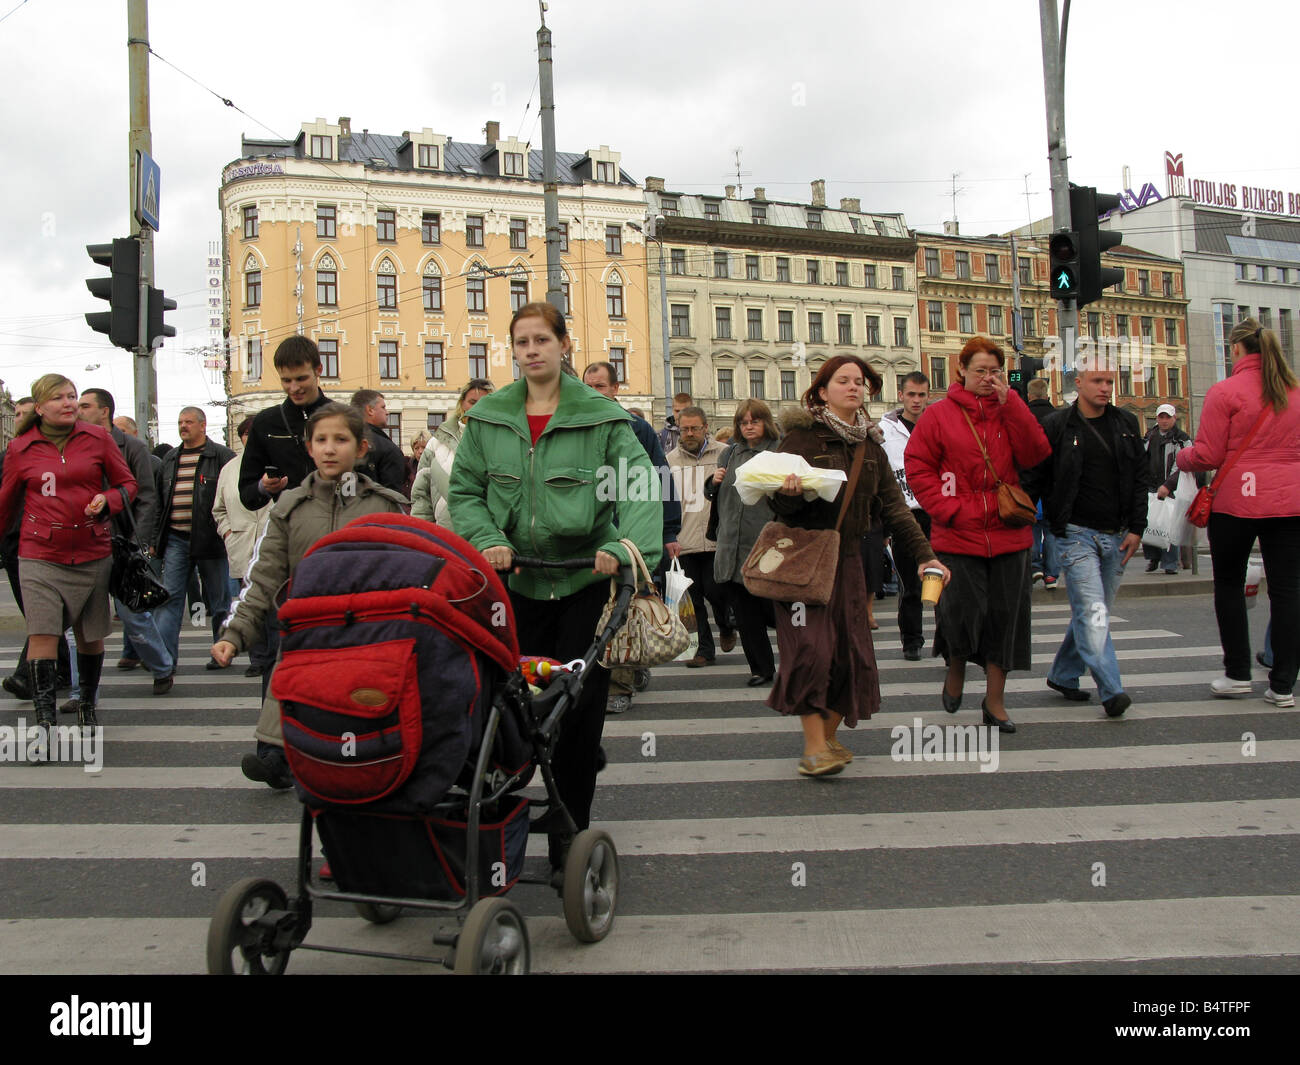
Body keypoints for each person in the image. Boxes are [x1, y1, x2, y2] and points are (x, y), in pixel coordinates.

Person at [449, 302, 662, 885]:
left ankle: (570, 824)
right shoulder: (488, 418)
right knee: (504, 702)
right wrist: (488, 538)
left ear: (563, 345)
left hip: (580, 582)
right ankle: (500, 813)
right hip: (512, 581)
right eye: (522, 342)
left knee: (577, 706)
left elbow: (640, 486)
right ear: (513, 351)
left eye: (543, 339)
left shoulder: (600, 416)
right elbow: (464, 492)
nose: (532, 350)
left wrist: (625, 549)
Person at [767, 356, 947, 776]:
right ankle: (813, 748)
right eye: (843, 381)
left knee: (852, 657)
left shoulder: (871, 445)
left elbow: (897, 510)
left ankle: (827, 736)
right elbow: (773, 501)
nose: (853, 387)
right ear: (822, 390)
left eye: (860, 382)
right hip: (803, 559)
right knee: (810, 651)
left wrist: (925, 556)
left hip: (848, 562)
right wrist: (791, 494)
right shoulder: (800, 438)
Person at [215, 402, 410, 788]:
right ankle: (275, 758)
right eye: (321, 440)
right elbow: (263, 576)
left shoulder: (385, 505)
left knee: (360, 711)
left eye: (341, 439)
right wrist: (233, 634)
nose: (330, 448)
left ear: (361, 449)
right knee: (286, 688)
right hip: (305, 631)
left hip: (365, 634)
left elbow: (406, 572)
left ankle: (374, 764)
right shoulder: (290, 506)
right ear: (309, 448)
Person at [905, 337, 1051, 733]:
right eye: (980, 371)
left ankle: (995, 701)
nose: (988, 378)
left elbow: (1037, 452)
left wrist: (1014, 403)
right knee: (958, 613)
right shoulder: (939, 415)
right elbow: (918, 466)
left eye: (995, 371)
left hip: (1009, 532)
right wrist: (945, 509)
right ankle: (955, 667)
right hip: (958, 534)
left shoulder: (1009, 410)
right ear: (962, 373)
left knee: (1006, 620)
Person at [0, 375, 136, 744]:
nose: (68, 403)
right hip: (40, 552)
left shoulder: (97, 439)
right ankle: (44, 721)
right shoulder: (21, 448)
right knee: (42, 633)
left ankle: (87, 705)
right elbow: (7, 502)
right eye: (59, 397)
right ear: (40, 406)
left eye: (72, 396)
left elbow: (127, 484)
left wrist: (109, 500)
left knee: (90, 637)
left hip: (92, 550)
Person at [1175, 317, 1300, 706]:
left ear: (1235, 350)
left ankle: (1238, 674)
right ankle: (1282, 686)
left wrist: (1182, 456)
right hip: (1290, 503)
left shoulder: (1224, 392)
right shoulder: (1294, 392)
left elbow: (1209, 455)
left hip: (1236, 503)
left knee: (1229, 585)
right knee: (1288, 591)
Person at [1023, 368, 1149, 717]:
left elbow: (1140, 476)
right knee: (1092, 611)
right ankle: (1112, 689)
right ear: (1078, 384)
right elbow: (1035, 476)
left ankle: (1064, 674)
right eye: (1098, 381)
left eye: (1110, 382)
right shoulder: (1058, 425)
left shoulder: (1125, 422)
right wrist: (1018, 517)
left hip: (1118, 534)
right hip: (1075, 534)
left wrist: (1138, 527)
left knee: (1094, 612)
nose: (1106, 388)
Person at [582, 361, 681, 714]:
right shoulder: (578, 427)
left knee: (628, 603)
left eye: (601, 387)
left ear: (615, 389)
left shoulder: (636, 428)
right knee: (606, 607)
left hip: (633, 530)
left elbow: (660, 479)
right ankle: (628, 666)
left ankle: (618, 684)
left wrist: (669, 529)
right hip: (595, 531)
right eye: (588, 386)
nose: (594, 393)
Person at [72, 388, 175, 699]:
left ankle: (161, 666)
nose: (78, 410)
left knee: (132, 613)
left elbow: (146, 496)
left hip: (119, 543)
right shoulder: (75, 445)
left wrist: (137, 543)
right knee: (78, 621)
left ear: (104, 411)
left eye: (85, 406)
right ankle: (81, 693)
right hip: (82, 541)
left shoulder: (131, 446)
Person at [704, 399, 781, 688]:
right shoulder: (731, 452)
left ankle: (799, 663)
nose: (748, 427)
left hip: (767, 543)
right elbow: (713, 495)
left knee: (776, 610)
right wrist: (713, 483)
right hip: (732, 543)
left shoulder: (779, 450)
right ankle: (761, 668)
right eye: (743, 422)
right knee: (746, 614)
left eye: (754, 421)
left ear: (766, 422)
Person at [0, 397, 73, 700]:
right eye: (15, 413)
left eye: (24, 414)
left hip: (47, 544)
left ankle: (26, 676)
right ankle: (65, 671)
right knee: (39, 615)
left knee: (41, 616)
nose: (18, 419)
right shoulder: (8, 455)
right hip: (15, 546)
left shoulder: (57, 454)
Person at [154, 407, 235, 674]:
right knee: (170, 599)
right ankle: (166, 662)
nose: (183, 426)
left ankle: (221, 651)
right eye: (180, 422)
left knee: (220, 601)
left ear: (203, 425)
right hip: (177, 538)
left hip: (211, 540)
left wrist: (228, 530)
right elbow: (159, 502)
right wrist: (157, 538)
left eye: (188, 422)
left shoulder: (221, 456)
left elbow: (233, 496)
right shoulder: (170, 458)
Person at [666, 405, 736, 667]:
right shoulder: (669, 460)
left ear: (706, 427)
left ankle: (726, 625)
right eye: (685, 429)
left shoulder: (725, 454)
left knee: (716, 592)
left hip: (717, 538)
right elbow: (664, 501)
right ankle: (704, 651)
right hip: (684, 540)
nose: (690, 433)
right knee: (693, 599)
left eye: (695, 428)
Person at [212, 416, 273, 677]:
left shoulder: (276, 465)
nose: (249, 438)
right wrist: (227, 532)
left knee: (273, 603)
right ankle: (258, 658)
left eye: (254, 433)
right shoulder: (230, 469)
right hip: (241, 542)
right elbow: (219, 509)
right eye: (245, 434)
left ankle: (274, 654)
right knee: (250, 601)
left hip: (272, 544)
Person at [879, 371, 932, 659]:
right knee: (910, 585)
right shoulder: (884, 430)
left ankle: (946, 640)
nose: (916, 400)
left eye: (921, 395)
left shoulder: (936, 425)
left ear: (928, 396)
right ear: (901, 395)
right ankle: (912, 640)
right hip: (904, 515)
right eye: (911, 394)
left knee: (937, 581)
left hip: (935, 512)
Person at [410, 379, 494, 528]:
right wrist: (423, 531)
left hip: (490, 535)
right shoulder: (437, 442)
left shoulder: (503, 441)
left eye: (486, 402)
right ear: (462, 404)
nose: (479, 407)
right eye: (472, 402)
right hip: (444, 533)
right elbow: (421, 494)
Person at [1142, 403, 1194, 575]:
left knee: (1170, 526)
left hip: (1172, 489)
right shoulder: (1150, 436)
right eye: (1161, 417)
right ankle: (1153, 557)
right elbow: (1142, 459)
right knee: (1150, 523)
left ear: (1174, 418)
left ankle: (1170, 563)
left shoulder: (1181, 438)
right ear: (1157, 419)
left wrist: (1168, 485)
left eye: (1167, 417)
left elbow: (1183, 465)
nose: (1164, 421)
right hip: (1151, 486)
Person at [1025, 377, 1060, 589]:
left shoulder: (1025, 416)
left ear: (1029, 395)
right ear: (1046, 394)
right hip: (1054, 483)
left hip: (1030, 481)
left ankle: (1035, 566)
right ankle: (1051, 574)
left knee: (1032, 527)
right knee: (1053, 530)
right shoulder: (1059, 417)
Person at [349, 389, 408, 494]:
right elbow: (392, 496)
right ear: (370, 410)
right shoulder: (387, 449)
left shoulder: (340, 443)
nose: (387, 412)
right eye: (383, 407)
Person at [404, 431, 428, 497]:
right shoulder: (407, 467)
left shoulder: (436, 466)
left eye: (424, 447)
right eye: (416, 448)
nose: (420, 451)